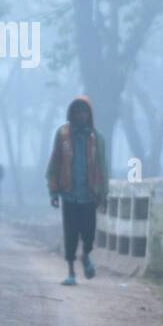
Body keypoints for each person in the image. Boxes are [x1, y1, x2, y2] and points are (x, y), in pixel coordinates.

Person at [45, 95, 108, 285]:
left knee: (89, 234)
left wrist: (103, 192)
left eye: (84, 111)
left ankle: (86, 255)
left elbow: (102, 166)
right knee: (70, 234)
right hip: (69, 194)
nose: (81, 115)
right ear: (71, 113)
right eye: (77, 111)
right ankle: (71, 272)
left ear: (89, 114)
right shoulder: (62, 135)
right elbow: (55, 162)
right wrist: (53, 191)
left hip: (89, 195)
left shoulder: (97, 138)